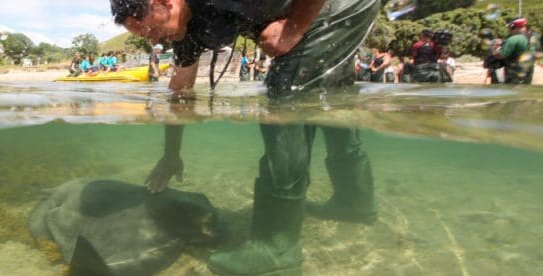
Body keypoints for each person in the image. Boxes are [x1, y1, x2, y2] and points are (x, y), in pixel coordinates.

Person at [112, 0, 379, 274]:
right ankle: (354, 201)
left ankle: (276, 250)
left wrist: (293, 27)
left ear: (164, 3)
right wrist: (170, 155)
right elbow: (180, 92)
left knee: (284, 99)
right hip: (342, 10)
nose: (155, 40)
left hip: (332, 8)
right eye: (147, 37)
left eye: (152, 29)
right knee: (331, 100)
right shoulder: (184, 32)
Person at [495, 18, 534, 85]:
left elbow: (500, 56)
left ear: (515, 27)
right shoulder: (531, 37)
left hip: (513, 75)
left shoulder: (513, 39)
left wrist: (494, 49)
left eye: (510, 27)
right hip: (527, 73)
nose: (509, 30)